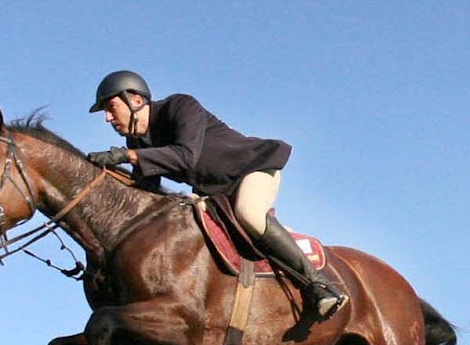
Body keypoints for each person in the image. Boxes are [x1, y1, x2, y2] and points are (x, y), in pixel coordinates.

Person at [86, 70, 347, 320]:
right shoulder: (139, 142)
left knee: (250, 215)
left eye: (110, 108)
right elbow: (147, 192)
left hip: (251, 171)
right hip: (214, 195)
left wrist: (125, 155)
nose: (108, 118)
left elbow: (186, 156)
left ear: (136, 100)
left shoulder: (180, 106)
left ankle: (319, 285)